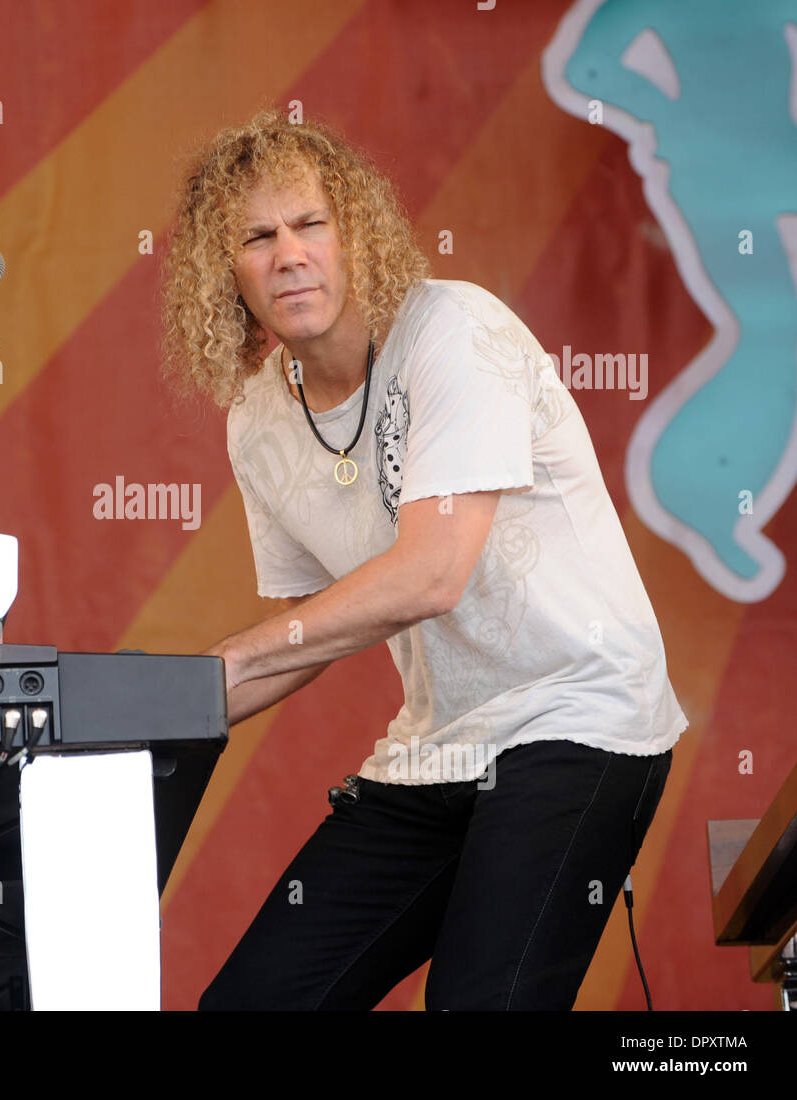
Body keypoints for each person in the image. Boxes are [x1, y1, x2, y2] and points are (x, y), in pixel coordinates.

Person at [159, 108, 686, 1010]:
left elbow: (431, 573)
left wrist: (227, 663)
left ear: (353, 231)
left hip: (578, 713)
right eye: (255, 236)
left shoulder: (453, 331)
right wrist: (139, 720)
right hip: (437, 750)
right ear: (225, 273)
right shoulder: (256, 416)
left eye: (309, 223)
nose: (288, 253)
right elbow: (308, 634)